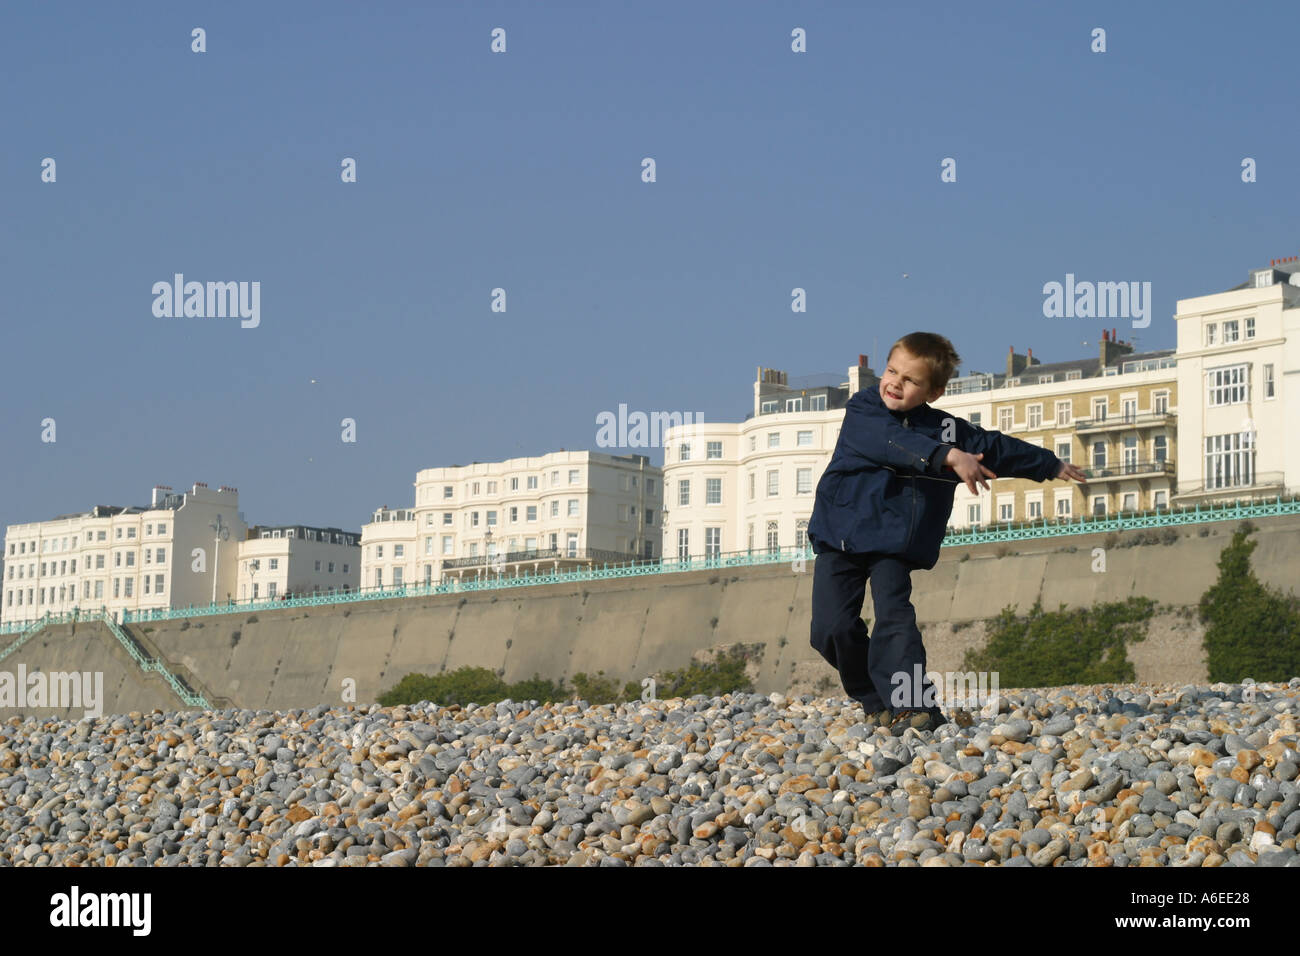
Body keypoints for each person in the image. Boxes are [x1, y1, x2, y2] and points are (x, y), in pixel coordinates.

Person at [806, 332, 1088, 736]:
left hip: (893, 543)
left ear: (934, 392)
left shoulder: (948, 431)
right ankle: (873, 698)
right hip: (842, 535)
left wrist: (1049, 464)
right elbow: (890, 442)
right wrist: (945, 456)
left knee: (895, 619)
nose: (895, 383)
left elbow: (995, 448)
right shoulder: (863, 408)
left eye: (911, 380)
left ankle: (914, 707)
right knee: (829, 629)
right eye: (891, 371)